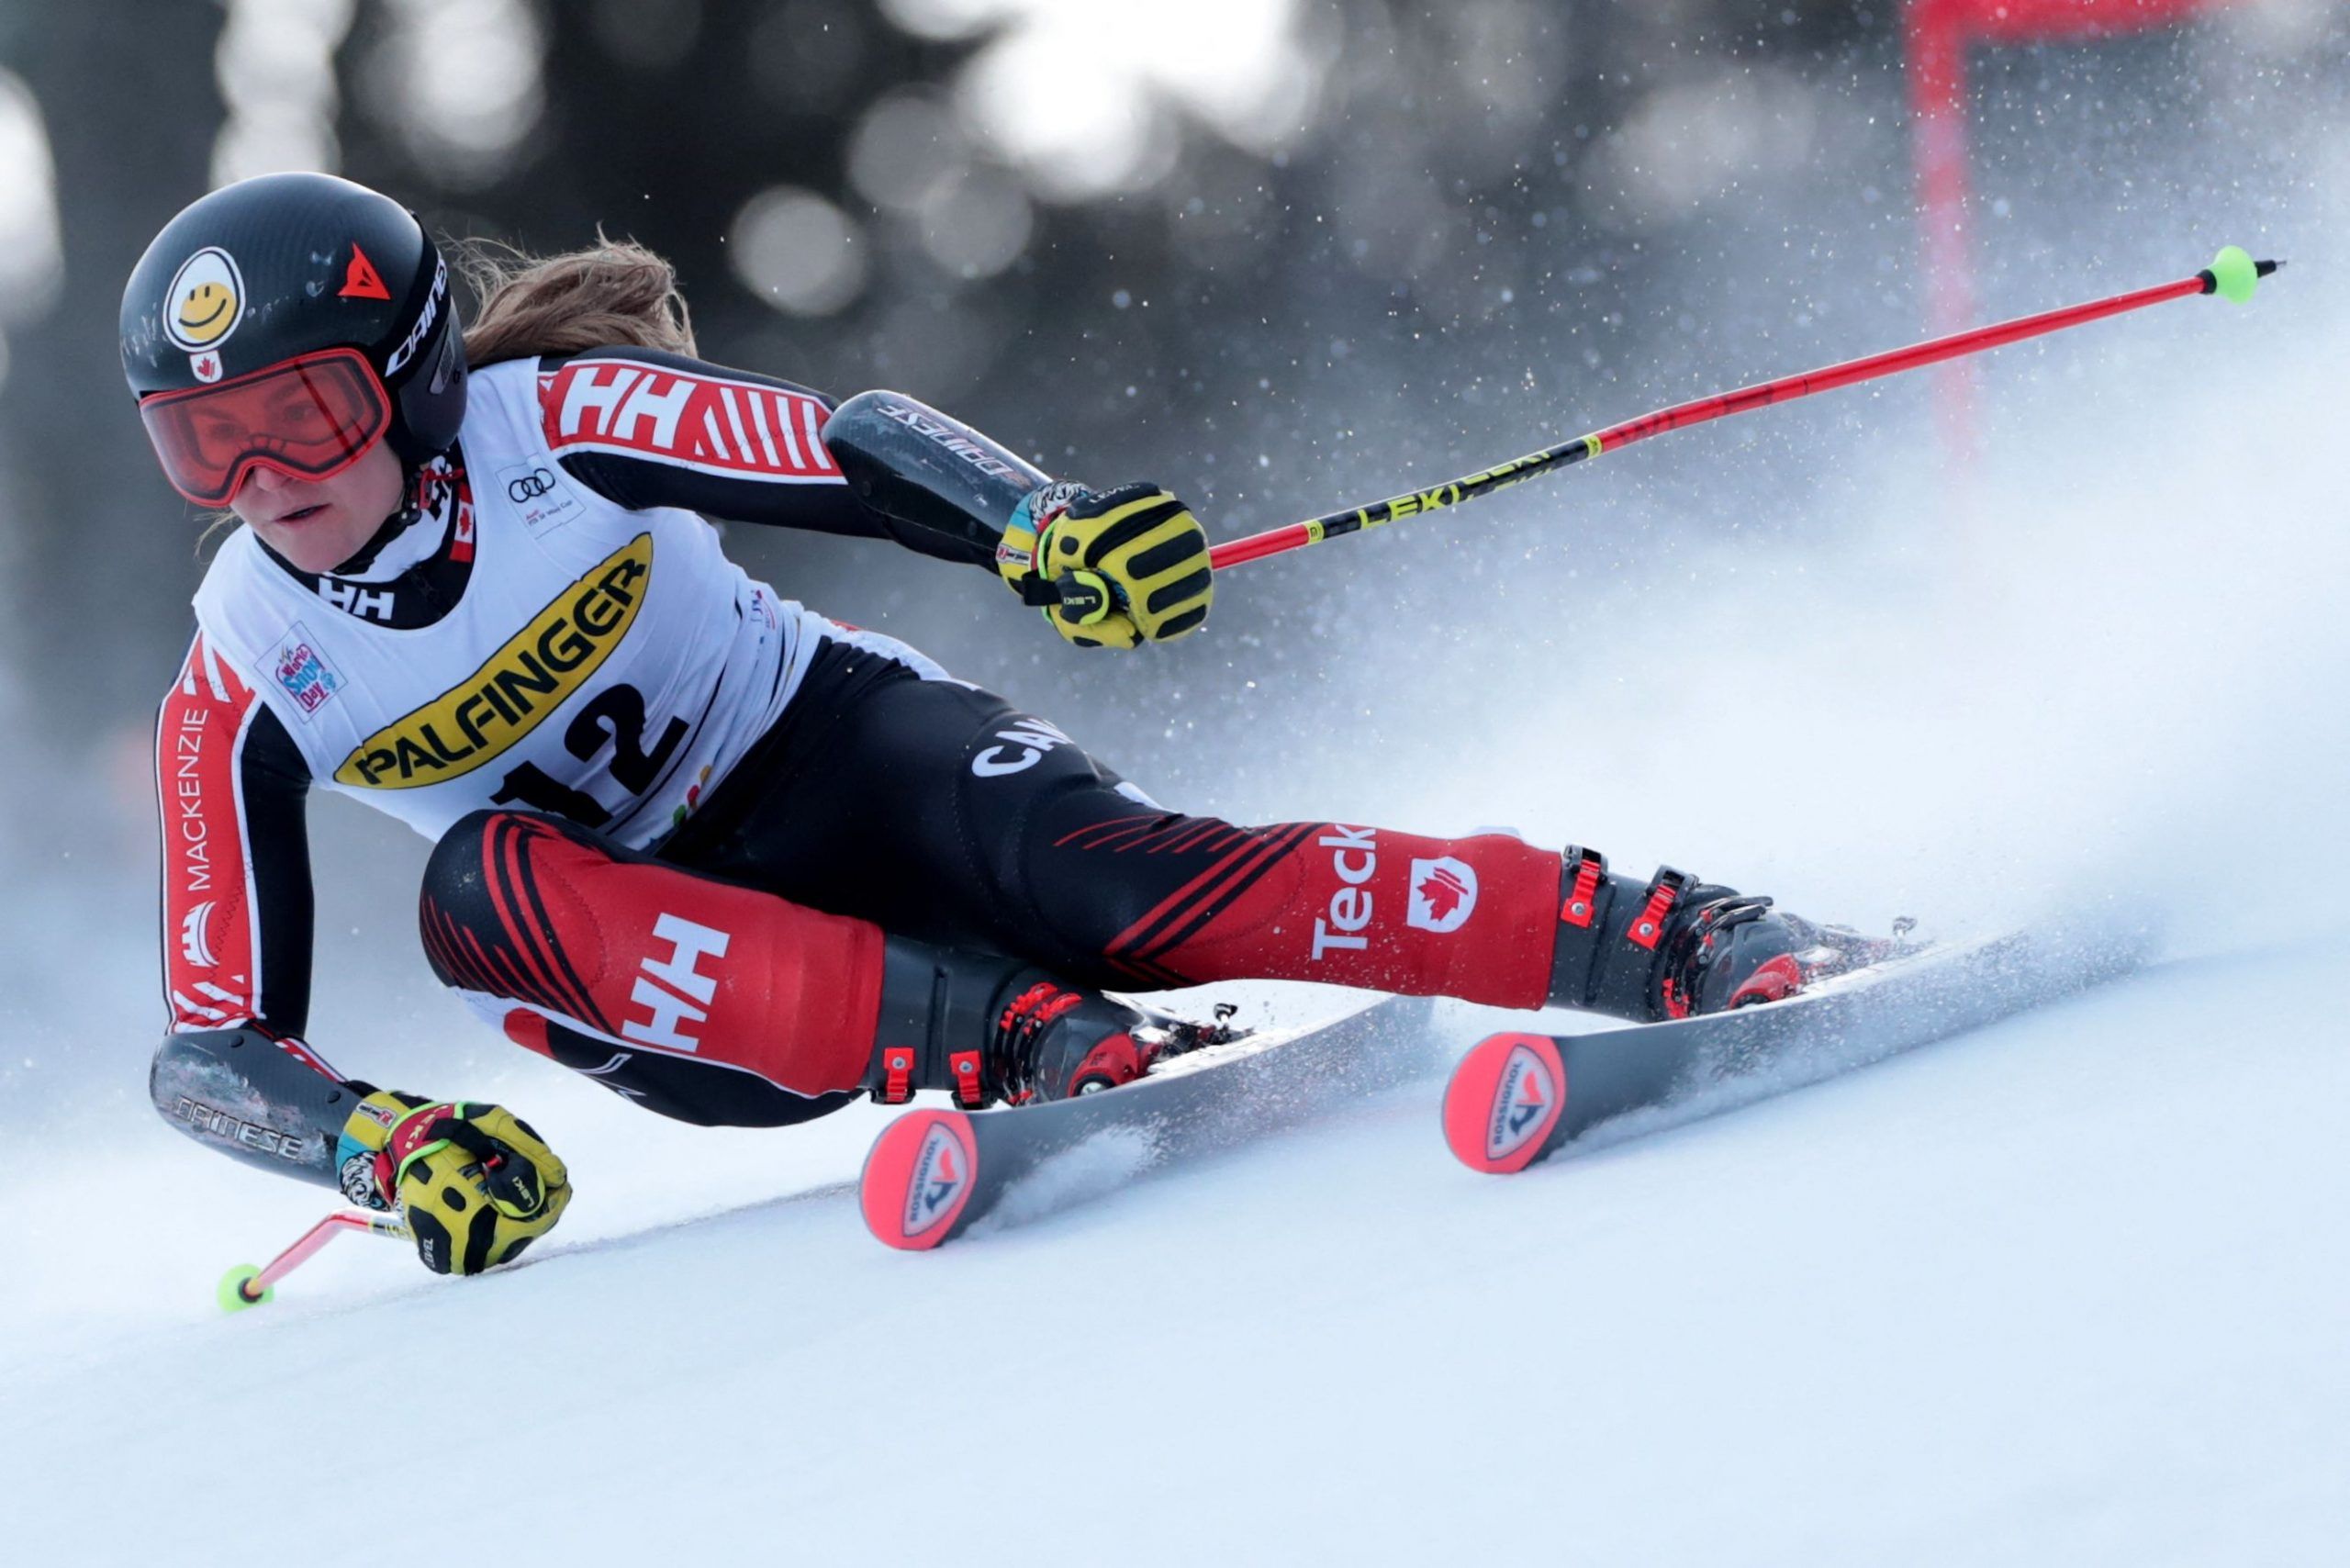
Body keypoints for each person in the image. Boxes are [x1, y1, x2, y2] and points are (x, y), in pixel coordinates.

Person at [129, 173, 1881, 1277]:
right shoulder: (242, 669)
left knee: (1131, 885)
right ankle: (1014, 1040)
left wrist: (1036, 523)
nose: (265, 480)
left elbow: (839, 442)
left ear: (419, 378)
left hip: (835, 752)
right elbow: (209, 1049)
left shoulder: (557, 416)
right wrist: (382, 1148)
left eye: (306, 414)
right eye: (205, 447)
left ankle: (1660, 934)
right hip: (684, 993)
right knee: (473, 890)